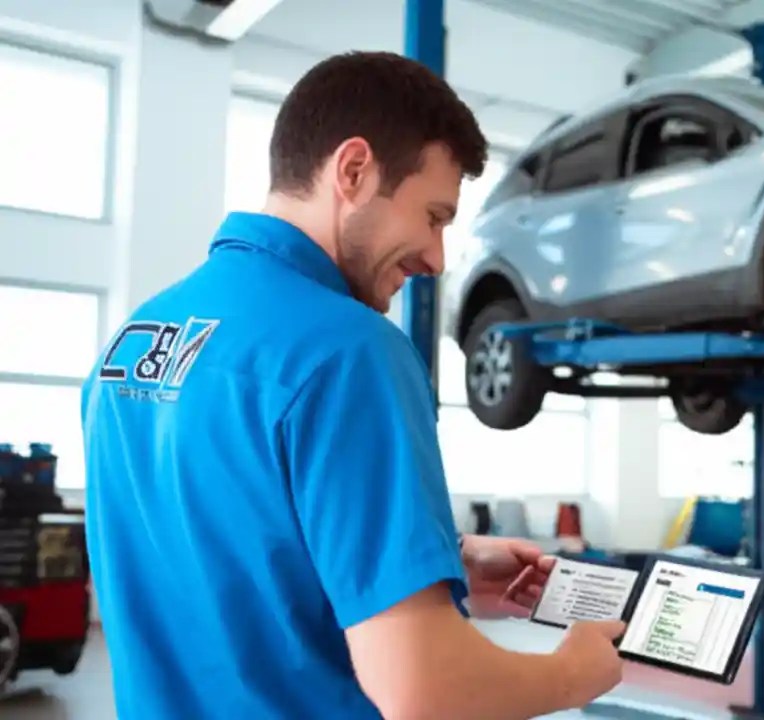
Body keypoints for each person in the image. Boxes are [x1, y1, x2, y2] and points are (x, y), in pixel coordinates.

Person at [81, 51, 625, 720]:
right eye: (434, 216)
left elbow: (225, 543)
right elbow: (426, 689)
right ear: (355, 170)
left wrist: (434, 559)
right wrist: (575, 672)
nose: (436, 259)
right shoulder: (349, 350)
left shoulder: (136, 341)